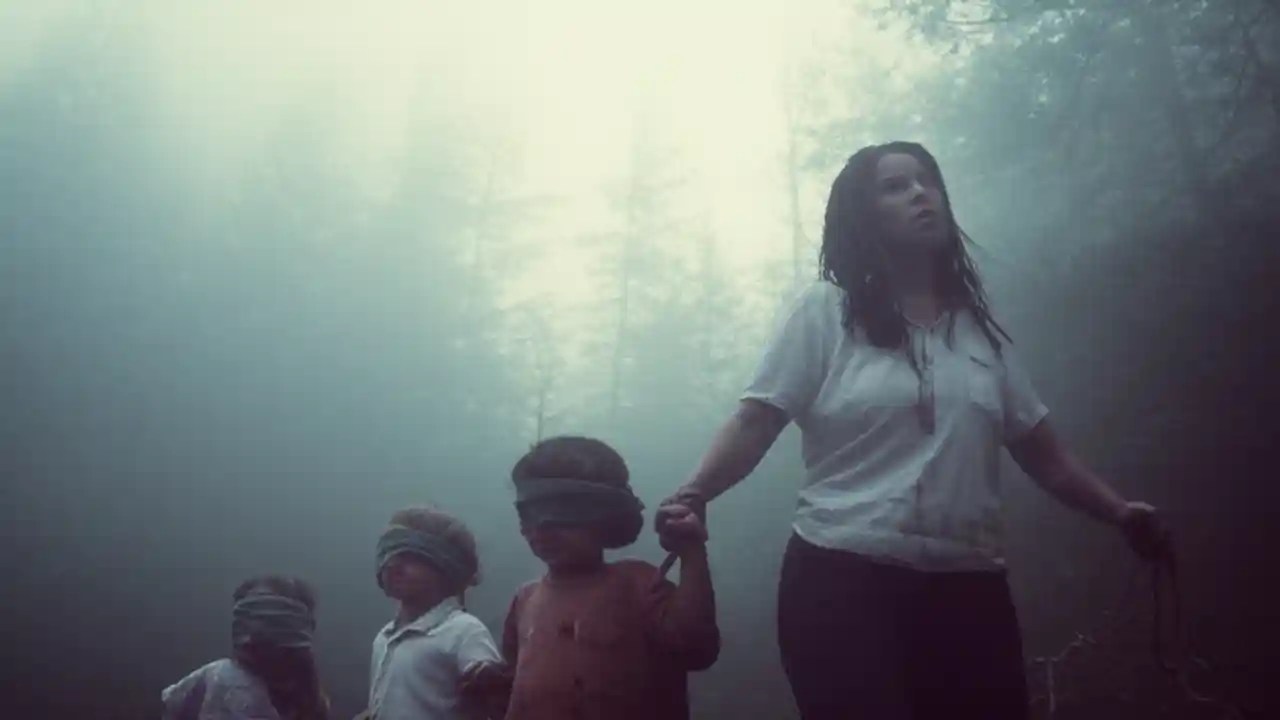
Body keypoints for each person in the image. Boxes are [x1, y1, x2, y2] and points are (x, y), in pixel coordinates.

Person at [654, 141, 1169, 720]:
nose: (920, 194)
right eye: (894, 186)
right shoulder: (827, 311)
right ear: (863, 214)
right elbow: (757, 419)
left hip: (970, 587)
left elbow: (1046, 455)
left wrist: (1120, 512)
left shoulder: (979, 336)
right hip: (843, 579)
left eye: (926, 181)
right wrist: (695, 492)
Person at [501, 435, 719, 720]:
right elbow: (513, 684)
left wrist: (691, 552)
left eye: (564, 514)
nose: (542, 528)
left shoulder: (637, 583)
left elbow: (697, 648)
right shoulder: (524, 601)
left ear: (608, 518)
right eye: (529, 514)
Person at [363, 506, 508, 720]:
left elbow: (493, 699)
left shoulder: (463, 631)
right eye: (388, 554)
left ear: (446, 567)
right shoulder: (384, 638)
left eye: (410, 557)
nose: (393, 564)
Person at [161, 575, 330, 720]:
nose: (259, 630)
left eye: (270, 619)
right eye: (254, 617)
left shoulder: (308, 696)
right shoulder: (218, 678)